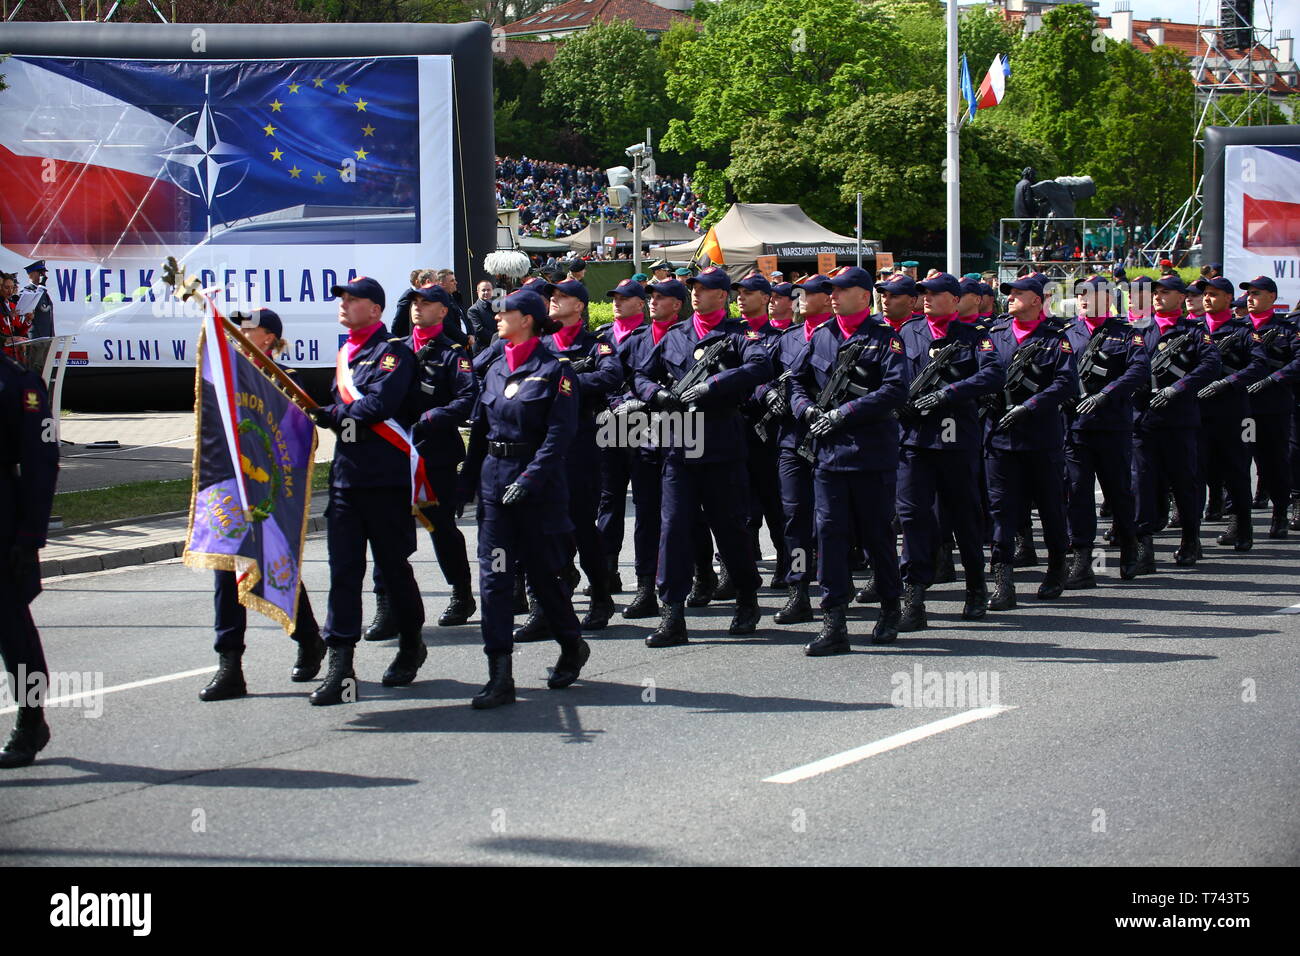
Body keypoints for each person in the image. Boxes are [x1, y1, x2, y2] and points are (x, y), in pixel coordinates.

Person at [458, 289, 589, 709]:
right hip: (495, 485)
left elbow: (559, 435)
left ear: (527, 319)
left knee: (544, 575)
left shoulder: (555, 371)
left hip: (537, 489)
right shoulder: (496, 366)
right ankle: (500, 674)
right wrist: (465, 484)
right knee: (495, 579)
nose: (498, 317)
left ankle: (572, 644)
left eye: (506, 312)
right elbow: (480, 429)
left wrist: (530, 480)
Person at [631, 265, 773, 646]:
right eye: (693, 287)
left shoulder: (740, 335)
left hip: (722, 440)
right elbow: (641, 376)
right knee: (674, 527)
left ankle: (746, 597)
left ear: (722, 295)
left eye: (705, 288)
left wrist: (712, 385)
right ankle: (672, 613)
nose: (696, 293)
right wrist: (656, 395)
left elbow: (761, 366)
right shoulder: (675, 335)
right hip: (679, 441)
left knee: (730, 529)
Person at [305, 277, 427, 705]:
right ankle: (341, 667)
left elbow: (378, 407)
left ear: (374, 309)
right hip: (345, 481)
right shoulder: (346, 355)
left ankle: (411, 642)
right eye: (342, 299)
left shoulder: (393, 354)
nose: (345, 305)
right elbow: (346, 413)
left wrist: (333, 415)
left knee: (393, 570)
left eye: (353, 299)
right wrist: (332, 415)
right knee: (343, 574)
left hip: (386, 480)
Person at [199, 309, 328, 702]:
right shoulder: (224, 379)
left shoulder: (286, 380)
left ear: (269, 338)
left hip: (270, 494)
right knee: (226, 573)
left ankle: (308, 638)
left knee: (277, 569)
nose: (238, 334)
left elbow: (297, 435)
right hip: (230, 493)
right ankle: (230, 666)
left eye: (248, 328)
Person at [789, 266, 909, 653]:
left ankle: (891, 605)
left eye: (840, 290)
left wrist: (845, 413)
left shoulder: (884, 339)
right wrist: (805, 409)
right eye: (830, 291)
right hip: (828, 456)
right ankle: (834, 619)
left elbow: (895, 389)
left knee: (877, 535)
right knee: (830, 536)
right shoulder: (822, 336)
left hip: (870, 453)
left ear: (862, 294)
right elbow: (795, 380)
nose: (833, 296)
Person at [364, 283, 479, 640]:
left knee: (440, 527)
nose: (418, 308)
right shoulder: (392, 351)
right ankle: (388, 605)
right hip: (393, 454)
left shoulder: (452, 354)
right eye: (414, 302)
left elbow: (468, 397)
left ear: (443, 311)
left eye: (427, 303)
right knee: (386, 532)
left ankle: (461, 593)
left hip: (434, 454)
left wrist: (432, 418)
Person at [895, 272, 1004, 625]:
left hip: (956, 437)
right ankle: (913, 594)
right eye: (923, 293)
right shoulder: (907, 332)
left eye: (936, 294)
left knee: (964, 516)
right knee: (912, 516)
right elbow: (890, 374)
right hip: (914, 438)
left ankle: (975, 587)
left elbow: (992, 375)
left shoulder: (974, 337)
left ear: (955, 300)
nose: (927, 298)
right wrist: (899, 403)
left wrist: (946, 393)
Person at [984, 274, 1078, 608]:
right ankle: (1003, 579)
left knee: (1052, 508)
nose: (1010, 298)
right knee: (1001, 511)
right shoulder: (995, 335)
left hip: (1041, 437)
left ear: (1037, 300)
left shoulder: (1056, 338)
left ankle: (1055, 569)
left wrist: (1030, 406)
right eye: (1008, 293)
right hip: (1000, 438)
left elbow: (1067, 383)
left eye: (1018, 294)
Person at [1131, 274, 1222, 571]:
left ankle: (1190, 540)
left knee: (1184, 481)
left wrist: (1179, 387)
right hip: (1143, 418)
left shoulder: (1195, 331)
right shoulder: (1139, 328)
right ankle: (1144, 544)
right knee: (1142, 481)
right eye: (1156, 292)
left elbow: (1210, 365)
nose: (1158, 297)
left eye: (1166, 292)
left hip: (1179, 418)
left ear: (1182, 297)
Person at [1062, 277, 1149, 586]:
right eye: (1081, 294)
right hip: (1076, 429)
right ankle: (1083, 558)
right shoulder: (1066, 334)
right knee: (1078, 494)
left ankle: (1129, 547)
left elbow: (1138, 371)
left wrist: (1105, 395)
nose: (1085, 299)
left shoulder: (1127, 335)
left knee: (1119, 492)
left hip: (1112, 425)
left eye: (1092, 294)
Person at [0, 351, 59, 767]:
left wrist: (30, 536)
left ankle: (30, 717)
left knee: (11, 630)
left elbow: (41, 463)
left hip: (3, 521)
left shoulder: (17, 383)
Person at [768, 275, 836, 626]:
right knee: (794, 517)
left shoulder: (842, 337)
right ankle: (799, 589)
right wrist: (768, 395)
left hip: (834, 438)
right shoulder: (789, 338)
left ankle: (835, 586)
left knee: (832, 520)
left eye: (809, 294)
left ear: (829, 299)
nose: (800, 299)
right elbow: (765, 376)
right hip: (793, 439)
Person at [594, 278, 656, 617]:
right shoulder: (603, 336)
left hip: (642, 423)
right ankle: (608, 570)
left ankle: (647, 581)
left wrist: (631, 401)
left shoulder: (652, 337)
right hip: (609, 421)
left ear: (640, 303)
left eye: (625, 298)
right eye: (615, 297)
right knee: (609, 501)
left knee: (646, 503)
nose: (618, 303)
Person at [1194, 276, 1261, 551]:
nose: (1207, 298)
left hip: (1235, 413)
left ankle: (1241, 525)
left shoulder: (1244, 331)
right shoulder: (1194, 331)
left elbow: (1259, 365)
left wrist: (1227, 382)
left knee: (1236, 471)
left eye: (1213, 294)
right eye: (1205, 294)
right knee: (1197, 471)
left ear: (1228, 299)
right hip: (1198, 412)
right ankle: (1191, 535)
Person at [734, 273, 788, 590]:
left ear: (766, 298)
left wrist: (763, 392)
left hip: (767, 431)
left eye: (749, 292)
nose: (741, 297)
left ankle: (786, 563)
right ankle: (738, 567)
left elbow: (783, 379)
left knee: (774, 503)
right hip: (732, 427)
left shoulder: (779, 339)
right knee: (736, 506)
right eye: (738, 292)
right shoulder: (728, 336)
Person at [1239, 276, 1300, 537]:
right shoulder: (1237, 328)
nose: (1250, 298)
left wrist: (1273, 379)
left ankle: (1280, 514)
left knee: (1274, 463)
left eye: (1256, 293)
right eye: (1248, 294)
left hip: (1273, 409)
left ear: (1272, 297)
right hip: (1242, 410)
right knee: (1241, 460)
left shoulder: (1286, 330)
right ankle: (1238, 520)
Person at [20, 261, 54, 378]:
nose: (44, 276)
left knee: (44, 372)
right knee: (34, 371)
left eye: (44, 272)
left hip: (46, 337)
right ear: (31, 274)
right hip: (36, 339)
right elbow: (33, 306)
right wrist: (40, 288)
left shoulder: (43, 291)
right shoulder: (27, 291)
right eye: (40, 272)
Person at [465, 280, 499, 355]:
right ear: (478, 292)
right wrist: (497, 340)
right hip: (482, 351)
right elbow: (479, 330)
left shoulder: (497, 307)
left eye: (488, 290)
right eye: (483, 290)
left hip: (496, 347)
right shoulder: (473, 310)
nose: (486, 292)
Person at [1013, 169, 1038, 260]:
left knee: (1023, 233)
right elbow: (1029, 201)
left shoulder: (1019, 184)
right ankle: (1020, 255)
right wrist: (1036, 211)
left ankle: (1020, 255)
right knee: (1023, 234)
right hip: (1025, 213)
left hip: (1019, 212)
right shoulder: (1027, 184)